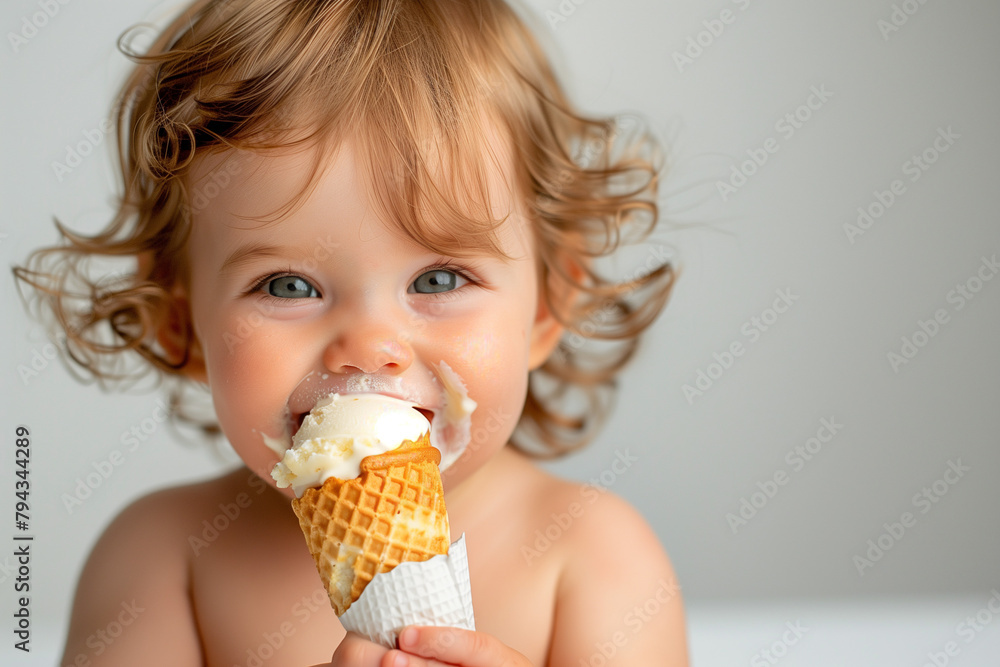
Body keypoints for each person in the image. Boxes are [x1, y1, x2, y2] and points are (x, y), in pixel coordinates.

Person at [15, 0, 686, 664]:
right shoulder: (162, 557)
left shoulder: (594, 557)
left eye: (439, 280)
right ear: (181, 325)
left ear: (545, 308)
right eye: (287, 285)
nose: (369, 344)